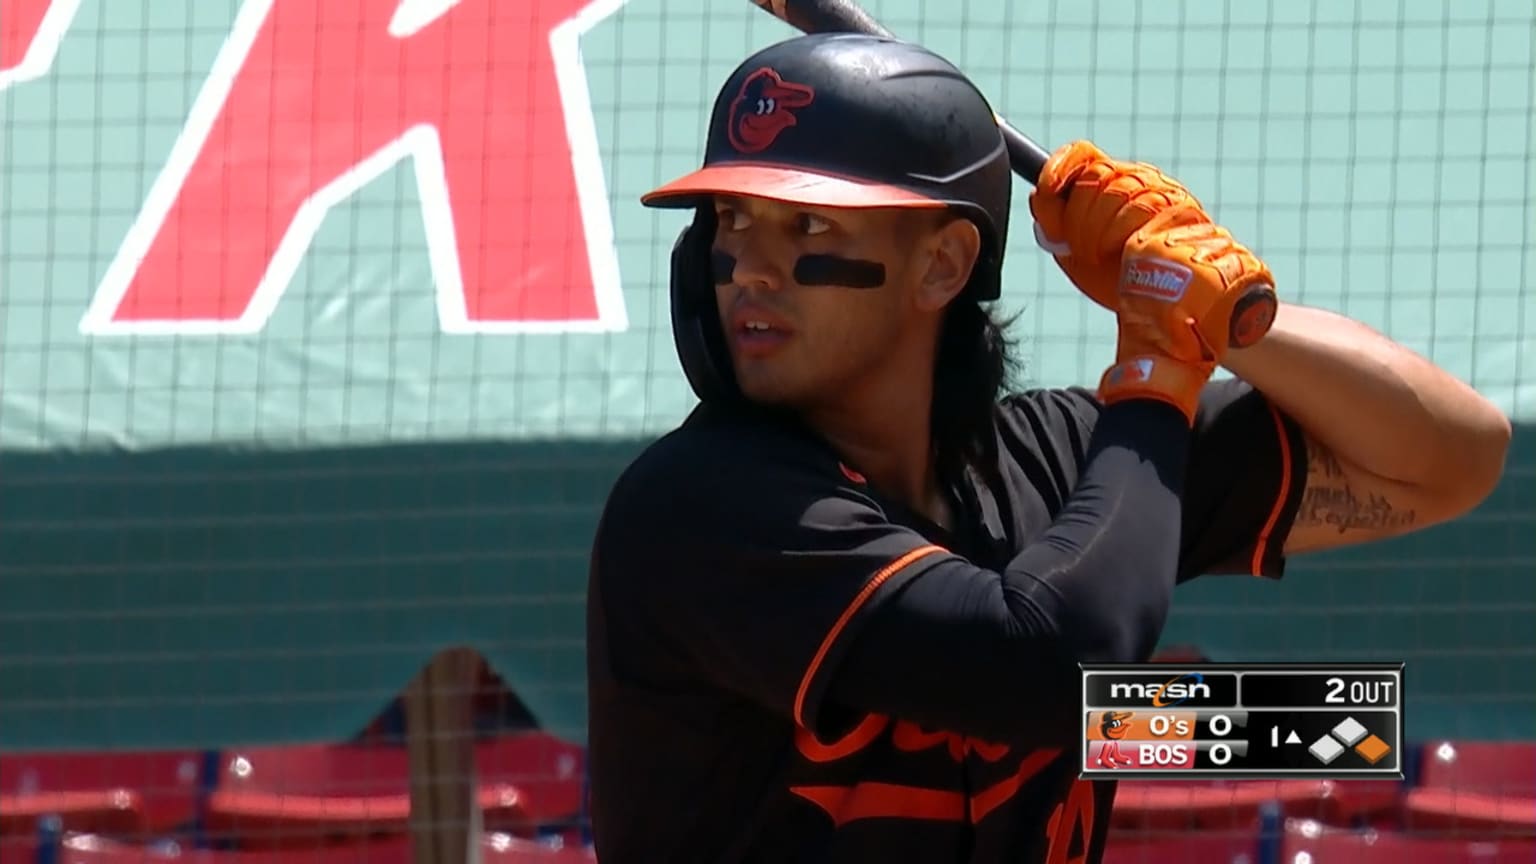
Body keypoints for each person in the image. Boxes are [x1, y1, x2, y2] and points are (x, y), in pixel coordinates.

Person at [583, 32, 1510, 864]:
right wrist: (1156, 375)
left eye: (808, 225)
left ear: (943, 264)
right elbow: (1049, 668)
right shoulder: (702, 508)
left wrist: (1222, 315)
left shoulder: (1058, 460)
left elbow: (1456, 456)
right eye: (733, 222)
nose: (747, 264)